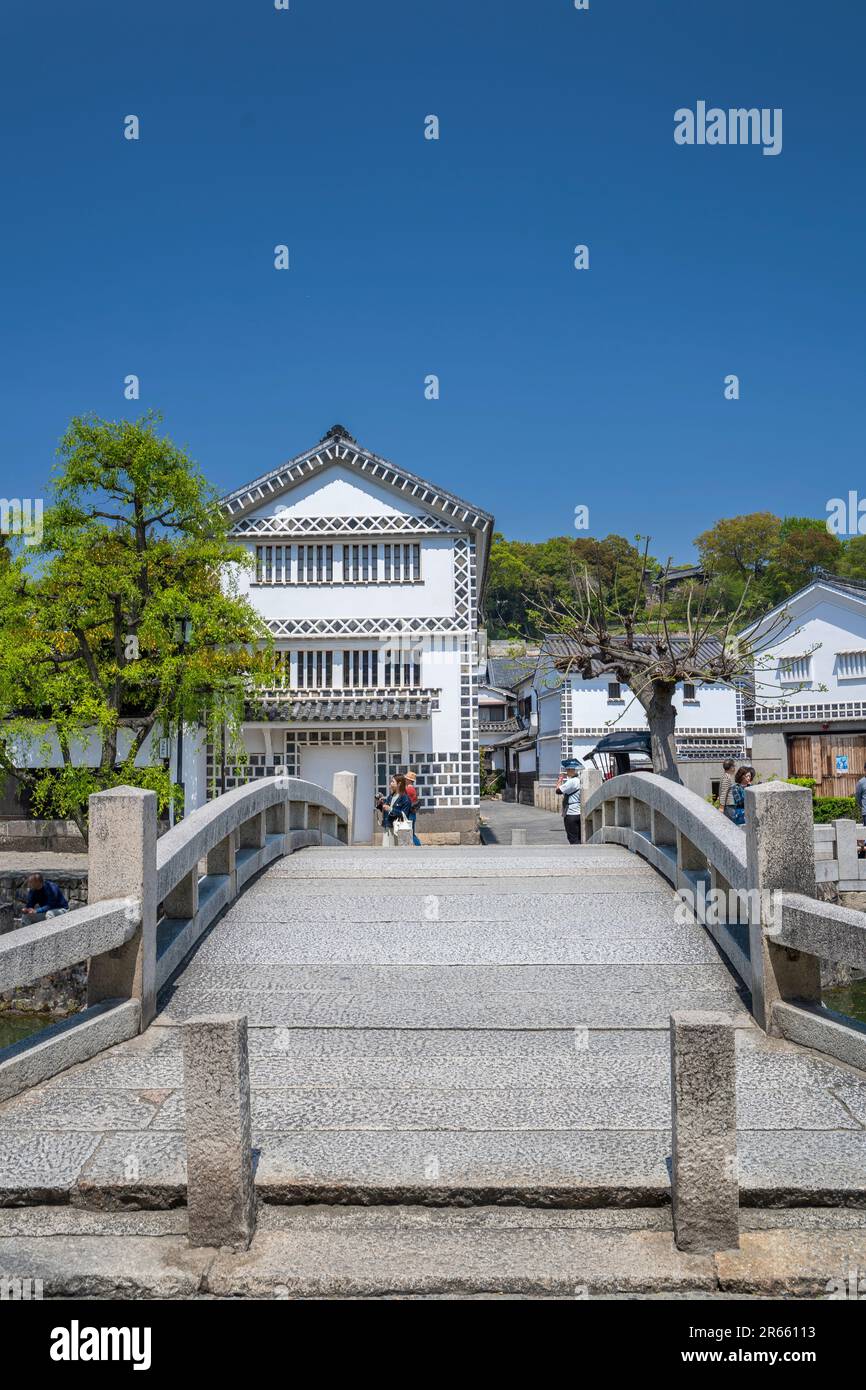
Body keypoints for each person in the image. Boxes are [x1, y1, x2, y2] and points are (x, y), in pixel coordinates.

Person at [376, 775, 414, 848]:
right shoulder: (391, 796)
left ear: (399, 784)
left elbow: (404, 815)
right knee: (385, 851)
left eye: (392, 782)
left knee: (396, 853)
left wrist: (391, 809)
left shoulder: (405, 798)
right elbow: (385, 810)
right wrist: (380, 804)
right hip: (387, 827)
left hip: (397, 830)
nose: (390, 783)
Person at [555, 760, 582, 845]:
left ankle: (576, 855)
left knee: (572, 838)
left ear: (571, 770)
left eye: (567, 770)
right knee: (579, 836)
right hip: (579, 811)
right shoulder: (579, 780)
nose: (567, 772)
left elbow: (558, 791)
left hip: (571, 813)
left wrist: (559, 780)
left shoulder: (572, 781)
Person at [404, 769, 422, 847]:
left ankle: (418, 845)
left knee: (411, 832)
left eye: (406, 779)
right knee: (411, 832)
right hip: (412, 813)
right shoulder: (412, 789)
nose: (405, 780)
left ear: (409, 780)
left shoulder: (409, 789)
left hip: (409, 813)